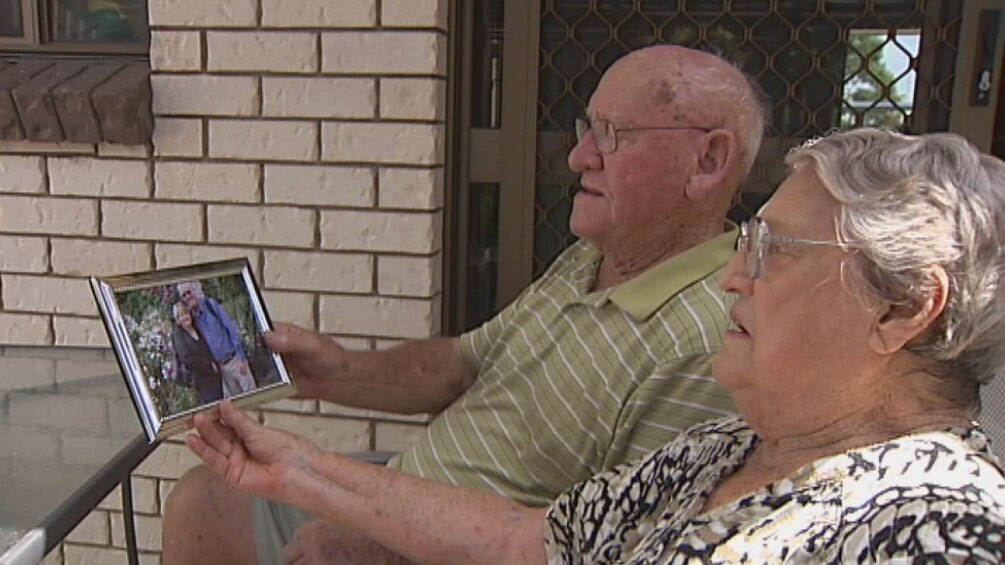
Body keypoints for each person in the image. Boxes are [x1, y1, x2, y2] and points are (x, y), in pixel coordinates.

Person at [186, 128, 1005, 562]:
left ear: (903, 308)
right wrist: (296, 465)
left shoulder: (931, 527)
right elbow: (528, 538)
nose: (733, 277)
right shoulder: (729, 449)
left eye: (774, 252)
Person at [163, 44, 768, 564]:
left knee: (208, 505)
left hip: (435, 544)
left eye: (613, 134)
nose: (578, 156)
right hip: (405, 491)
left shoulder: (710, 333)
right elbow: (461, 365)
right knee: (203, 495)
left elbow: (604, 544)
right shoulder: (593, 258)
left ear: (708, 161)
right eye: (588, 128)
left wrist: (384, 545)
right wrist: (337, 372)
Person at [176, 281, 255, 398]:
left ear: (195, 291)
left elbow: (231, 329)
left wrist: (241, 358)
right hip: (222, 369)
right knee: (238, 405)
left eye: (189, 292)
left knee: (253, 396)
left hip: (235, 361)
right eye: (184, 295)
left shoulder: (210, 306)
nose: (188, 297)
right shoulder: (193, 320)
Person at [171, 302, 224, 405]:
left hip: (214, 377)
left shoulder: (196, 327)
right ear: (178, 320)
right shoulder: (178, 335)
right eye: (181, 315)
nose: (185, 317)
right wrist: (209, 366)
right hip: (201, 381)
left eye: (186, 313)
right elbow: (186, 359)